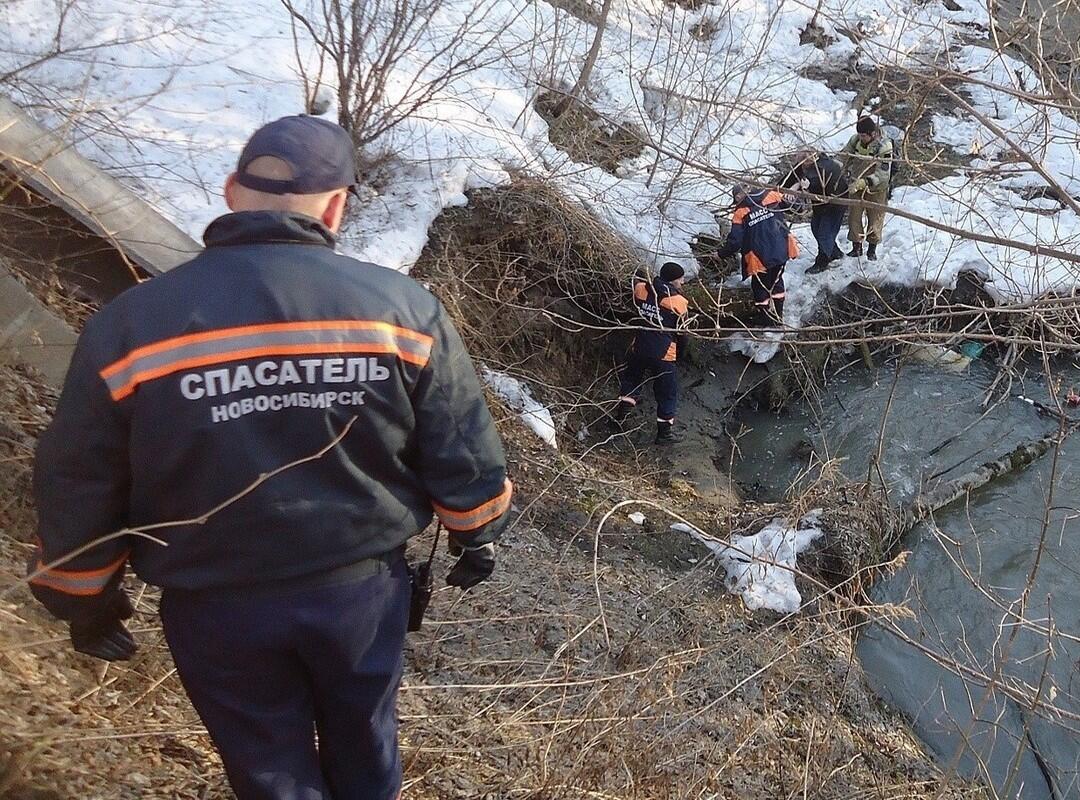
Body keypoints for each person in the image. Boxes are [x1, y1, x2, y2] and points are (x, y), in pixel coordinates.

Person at [27, 115, 512, 800]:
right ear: (338, 206)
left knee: (268, 770)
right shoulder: (400, 312)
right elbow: (459, 447)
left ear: (230, 191)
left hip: (215, 607)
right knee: (365, 749)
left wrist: (80, 592)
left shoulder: (131, 325)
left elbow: (81, 473)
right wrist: (476, 533)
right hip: (358, 597)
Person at [612, 261, 689, 445]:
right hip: (664, 353)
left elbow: (637, 285)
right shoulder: (679, 303)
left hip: (639, 346)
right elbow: (682, 334)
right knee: (667, 392)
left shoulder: (642, 290)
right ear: (672, 280)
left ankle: (619, 419)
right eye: (680, 279)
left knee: (631, 379)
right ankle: (664, 435)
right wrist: (681, 354)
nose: (683, 282)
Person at [717, 183, 800, 322]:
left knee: (760, 287)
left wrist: (720, 254)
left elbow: (735, 242)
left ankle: (766, 319)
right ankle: (778, 316)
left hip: (759, 258)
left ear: (738, 196)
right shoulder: (771, 195)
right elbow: (794, 206)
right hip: (781, 250)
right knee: (776, 281)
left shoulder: (740, 213)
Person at [784, 149, 849, 273]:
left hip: (835, 203)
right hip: (819, 204)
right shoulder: (805, 165)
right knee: (815, 228)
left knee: (825, 233)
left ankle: (823, 261)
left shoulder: (824, 167)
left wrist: (803, 186)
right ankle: (835, 252)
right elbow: (791, 178)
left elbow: (814, 180)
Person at [841, 116, 893, 260]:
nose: (861, 138)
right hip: (855, 183)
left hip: (876, 187)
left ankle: (872, 249)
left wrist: (863, 183)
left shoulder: (884, 146)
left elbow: (883, 175)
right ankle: (856, 247)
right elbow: (844, 156)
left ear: (873, 133)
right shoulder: (855, 141)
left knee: (875, 218)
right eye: (859, 135)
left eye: (864, 135)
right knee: (854, 217)